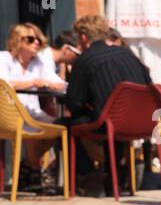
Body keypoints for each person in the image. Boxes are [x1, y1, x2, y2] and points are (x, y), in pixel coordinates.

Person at [61, 14, 152, 195]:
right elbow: (148, 83)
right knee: (110, 119)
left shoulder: (85, 60)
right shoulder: (128, 54)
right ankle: (114, 182)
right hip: (143, 123)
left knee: (63, 127)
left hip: (110, 124)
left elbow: (75, 104)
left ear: (84, 38)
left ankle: (90, 177)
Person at [0, 23, 67, 194]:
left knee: (62, 125)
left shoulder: (38, 63)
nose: (36, 42)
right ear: (17, 41)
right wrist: (32, 82)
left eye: (38, 39)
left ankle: (30, 166)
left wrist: (50, 84)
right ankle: (33, 170)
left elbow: (61, 85)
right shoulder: (5, 58)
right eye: (30, 39)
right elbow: (4, 82)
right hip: (7, 114)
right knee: (33, 128)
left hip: (32, 113)